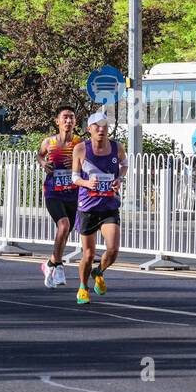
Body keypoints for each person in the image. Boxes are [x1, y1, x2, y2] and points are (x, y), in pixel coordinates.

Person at [70, 111, 126, 305]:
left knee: (112, 249)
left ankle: (99, 271)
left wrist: (119, 178)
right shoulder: (80, 149)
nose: (101, 129)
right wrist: (87, 184)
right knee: (89, 254)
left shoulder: (117, 147)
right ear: (89, 129)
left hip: (109, 205)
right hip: (87, 207)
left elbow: (124, 164)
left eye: (104, 126)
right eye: (97, 126)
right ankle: (83, 287)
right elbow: (74, 177)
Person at [37, 106, 80, 288]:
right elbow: (39, 156)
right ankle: (59, 266)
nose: (68, 121)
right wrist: (43, 163)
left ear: (75, 122)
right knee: (64, 225)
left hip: (73, 193)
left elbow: (87, 165)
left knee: (64, 232)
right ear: (57, 121)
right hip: (53, 191)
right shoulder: (49, 142)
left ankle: (50, 264)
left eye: (71, 118)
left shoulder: (80, 144)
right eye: (65, 117)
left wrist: (78, 166)